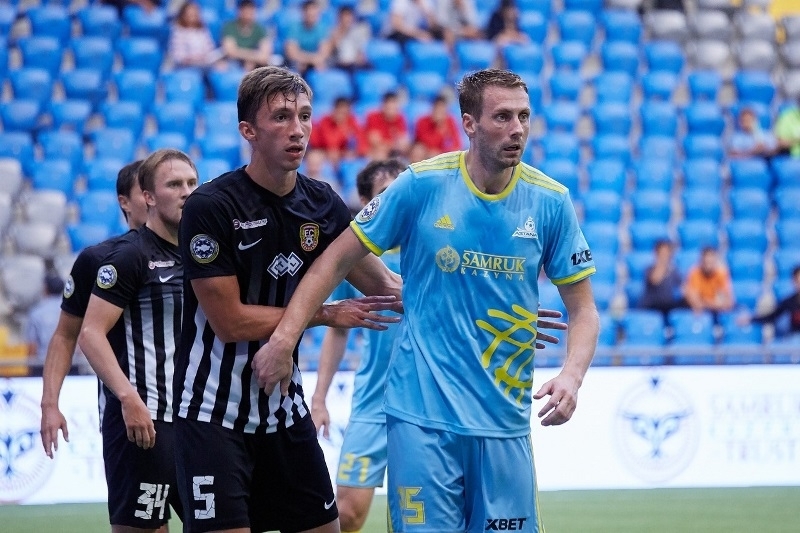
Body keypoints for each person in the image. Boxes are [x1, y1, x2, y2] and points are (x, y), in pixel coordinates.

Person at [255, 68, 600, 532]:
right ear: (469, 123)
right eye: (502, 117)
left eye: (523, 116)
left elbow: (583, 309)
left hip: (504, 421)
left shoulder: (550, 201)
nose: (517, 128)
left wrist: (572, 376)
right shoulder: (421, 185)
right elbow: (332, 262)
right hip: (421, 417)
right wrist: (284, 338)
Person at [173, 66, 404, 533]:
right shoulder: (211, 206)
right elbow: (229, 322)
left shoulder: (322, 203)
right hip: (212, 414)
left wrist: (490, 306)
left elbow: (387, 287)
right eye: (281, 117)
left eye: (304, 116)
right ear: (248, 131)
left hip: (284, 411)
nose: (297, 129)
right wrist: (325, 314)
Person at [310, 158, 569, 533]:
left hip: (436, 399)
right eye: (384, 195)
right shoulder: (363, 262)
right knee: (348, 513)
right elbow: (337, 330)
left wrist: (508, 315)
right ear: (369, 204)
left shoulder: (440, 244)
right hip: (373, 401)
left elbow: (483, 292)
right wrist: (319, 397)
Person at [78, 149, 198, 531]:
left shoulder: (203, 252)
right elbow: (89, 334)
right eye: (174, 184)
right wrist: (128, 398)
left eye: (192, 183)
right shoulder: (130, 256)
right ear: (148, 197)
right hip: (144, 421)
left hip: (197, 419)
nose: (186, 192)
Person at [40, 160, 148, 459]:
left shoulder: (195, 255)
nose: (153, 198)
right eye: (144, 191)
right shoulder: (97, 259)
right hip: (126, 414)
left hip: (197, 414)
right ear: (124, 202)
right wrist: (50, 404)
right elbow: (65, 335)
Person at [740, 265, 800, 338]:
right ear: (794, 282)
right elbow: (772, 316)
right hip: (795, 338)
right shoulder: (790, 301)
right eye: (798, 281)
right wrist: (752, 319)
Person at [25, 273, 65, 377]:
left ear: (45, 289)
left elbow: (32, 345)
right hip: (70, 364)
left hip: (43, 366)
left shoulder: (36, 312)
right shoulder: (70, 311)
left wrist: (29, 371)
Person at [168, 1, 224, 70]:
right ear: (184, 15)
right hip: (186, 68)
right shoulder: (178, 31)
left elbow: (210, 48)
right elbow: (178, 56)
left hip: (205, 64)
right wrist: (193, 58)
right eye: (190, 14)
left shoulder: (202, 29)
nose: (193, 16)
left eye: (195, 14)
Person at [309, 97, 364, 166]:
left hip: (344, 155)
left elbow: (361, 144)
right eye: (339, 112)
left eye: (344, 113)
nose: (341, 115)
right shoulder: (325, 121)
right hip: (325, 153)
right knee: (314, 157)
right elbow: (327, 143)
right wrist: (342, 130)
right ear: (334, 110)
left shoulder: (353, 122)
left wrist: (346, 152)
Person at [222, 0, 274, 72]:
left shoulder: (260, 29)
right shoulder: (229, 27)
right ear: (239, 11)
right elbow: (230, 51)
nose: (248, 15)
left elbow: (265, 55)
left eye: (250, 11)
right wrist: (253, 56)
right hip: (234, 63)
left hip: (255, 64)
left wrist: (248, 58)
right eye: (245, 11)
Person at [639, 239, 687, 317]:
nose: (665, 255)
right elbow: (655, 280)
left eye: (667, 252)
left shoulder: (673, 271)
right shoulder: (649, 269)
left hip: (668, 306)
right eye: (662, 253)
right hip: (652, 305)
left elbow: (683, 287)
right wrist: (662, 264)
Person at [283, 0, 332, 75]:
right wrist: (310, 60)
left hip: (315, 63)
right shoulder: (294, 27)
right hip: (298, 63)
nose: (312, 15)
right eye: (309, 13)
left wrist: (312, 60)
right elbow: (291, 52)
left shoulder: (322, 28)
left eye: (314, 14)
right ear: (303, 13)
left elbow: (324, 52)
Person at [683, 246, 735, 315]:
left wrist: (705, 302)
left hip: (717, 312)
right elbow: (695, 302)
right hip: (703, 312)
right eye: (706, 262)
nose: (708, 265)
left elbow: (729, 302)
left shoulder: (721, 274)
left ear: (715, 261)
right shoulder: (695, 273)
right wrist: (716, 304)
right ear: (701, 261)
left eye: (711, 262)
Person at [412, 95, 462, 160]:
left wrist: (441, 152)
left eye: (441, 111)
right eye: (437, 110)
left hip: (443, 154)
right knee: (418, 150)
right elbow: (422, 141)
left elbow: (456, 144)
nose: (438, 114)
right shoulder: (422, 121)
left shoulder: (450, 122)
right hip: (427, 153)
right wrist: (439, 131)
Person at [363, 92, 411, 159]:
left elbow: (403, 141)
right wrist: (393, 144)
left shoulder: (400, 118)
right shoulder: (373, 117)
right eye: (389, 108)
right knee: (380, 154)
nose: (391, 111)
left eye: (394, 108)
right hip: (374, 150)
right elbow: (374, 141)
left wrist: (395, 145)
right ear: (383, 106)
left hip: (392, 150)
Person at [329, 5, 371, 73]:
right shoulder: (333, 33)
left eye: (350, 17)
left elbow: (361, 53)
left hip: (354, 63)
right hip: (339, 64)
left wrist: (359, 58)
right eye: (345, 17)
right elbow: (333, 52)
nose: (348, 20)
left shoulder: (356, 32)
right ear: (340, 18)